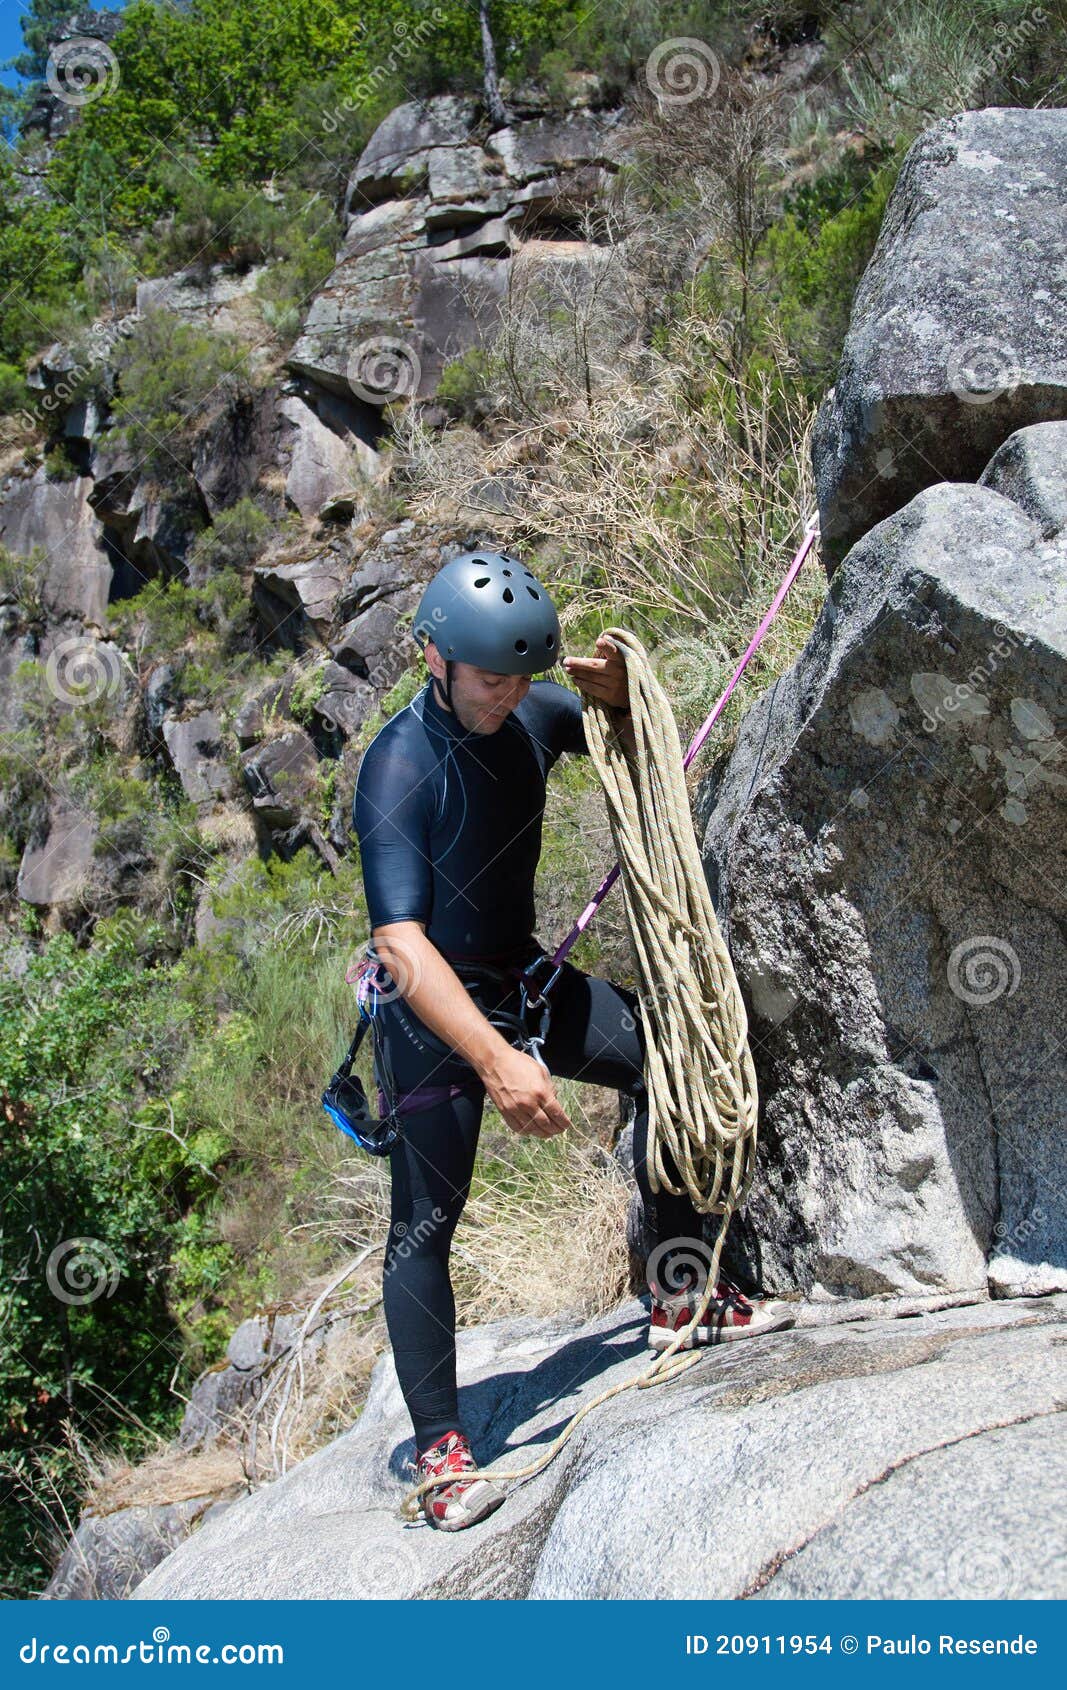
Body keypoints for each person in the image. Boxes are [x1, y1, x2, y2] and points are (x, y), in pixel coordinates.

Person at [351, 548, 791, 1532]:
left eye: (519, 675)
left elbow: (617, 731)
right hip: (434, 1012)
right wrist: (495, 1057)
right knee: (426, 1218)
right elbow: (400, 941)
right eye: (488, 676)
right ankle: (442, 1450)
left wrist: (622, 694)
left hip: (518, 977)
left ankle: (678, 1291)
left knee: (663, 1060)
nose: (506, 695)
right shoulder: (398, 766)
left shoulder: (531, 715)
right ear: (435, 657)